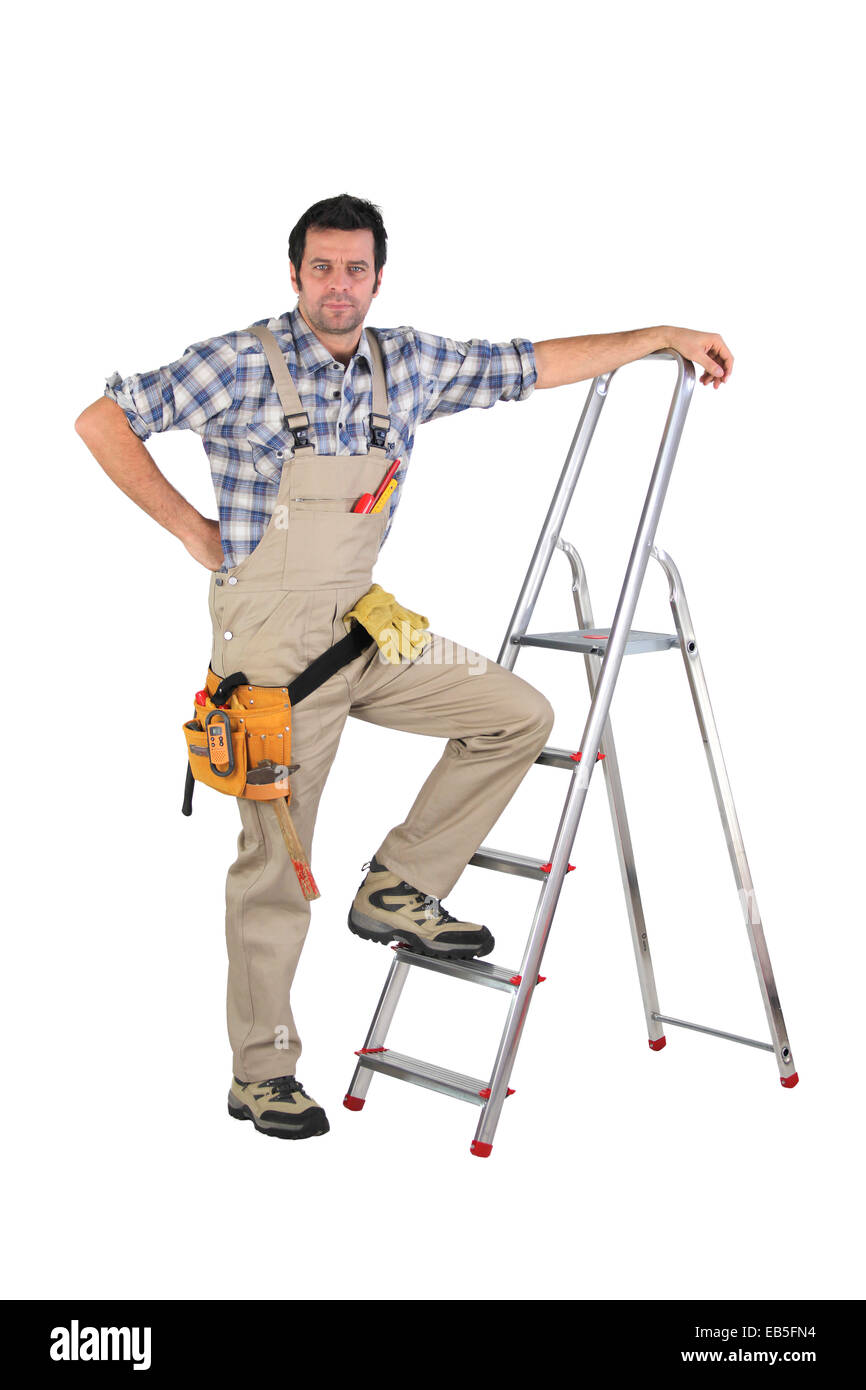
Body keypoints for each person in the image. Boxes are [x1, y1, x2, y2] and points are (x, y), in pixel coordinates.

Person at [75, 193, 733, 1142]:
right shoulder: (237, 363)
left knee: (517, 711)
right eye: (321, 268)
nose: (338, 286)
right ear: (294, 273)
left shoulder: (407, 363)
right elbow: (103, 419)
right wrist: (191, 530)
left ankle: (398, 884)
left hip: (362, 625)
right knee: (274, 869)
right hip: (269, 651)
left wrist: (659, 336)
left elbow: (532, 365)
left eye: (355, 270)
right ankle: (262, 1075)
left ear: (378, 278)